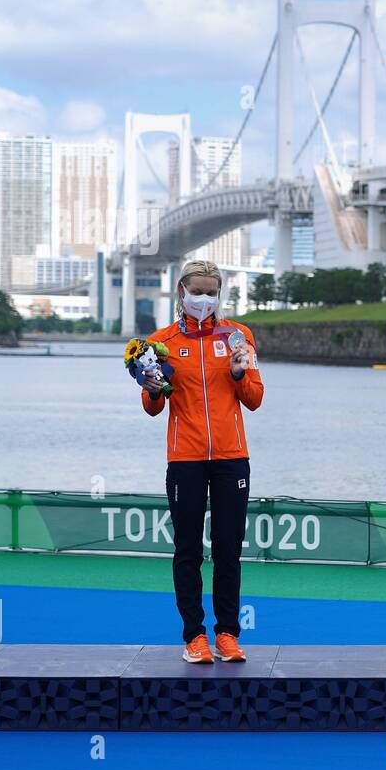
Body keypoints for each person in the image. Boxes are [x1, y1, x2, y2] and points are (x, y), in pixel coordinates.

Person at [139, 259, 264, 663]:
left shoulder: (238, 336)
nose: (204, 299)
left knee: (228, 550)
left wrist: (240, 374)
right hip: (185, 459)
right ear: (182, 291)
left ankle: (227, 634)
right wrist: (153, 388)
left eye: (211, 292)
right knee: (188, 550)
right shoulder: (160, 343)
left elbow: (255, 400)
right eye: (197, 291)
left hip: (232, 458)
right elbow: (152, 407)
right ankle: (194, 636)